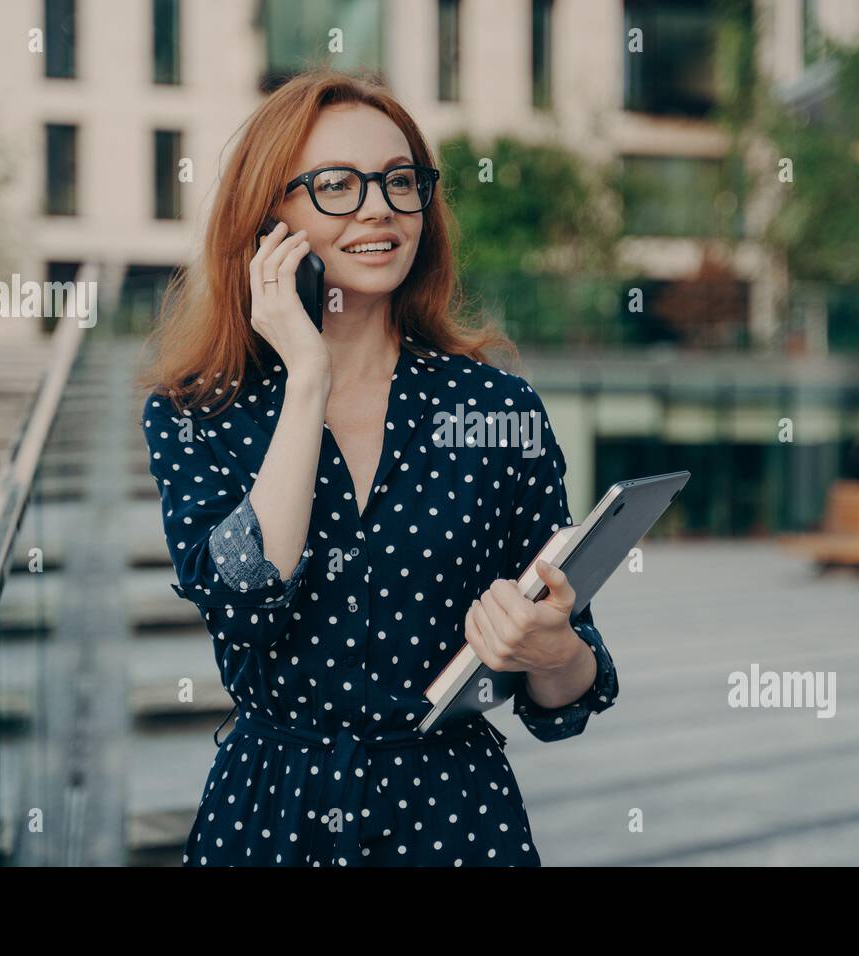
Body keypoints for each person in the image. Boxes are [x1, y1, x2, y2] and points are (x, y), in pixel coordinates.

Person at [136, 69, 618, 867]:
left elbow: (565, 698)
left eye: (401, 182)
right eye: (336, 185)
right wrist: (308, 379)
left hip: (454, 818)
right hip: (270, 816)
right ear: (267, 221)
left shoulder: (498, 408)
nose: (380, 208)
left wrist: (552, 648)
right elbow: (247, 603)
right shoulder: (198, 411)